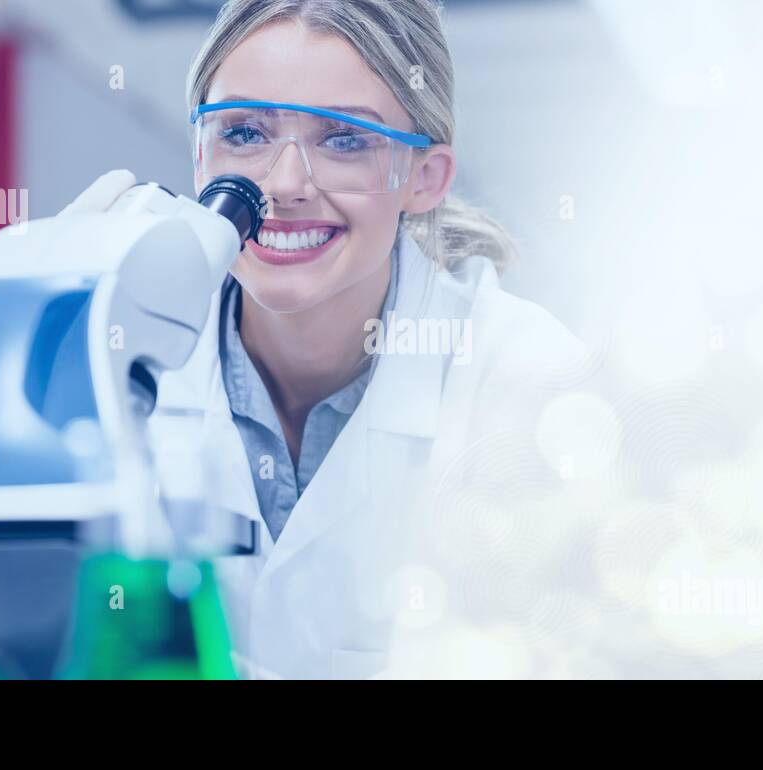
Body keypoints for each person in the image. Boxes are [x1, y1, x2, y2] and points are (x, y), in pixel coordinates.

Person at [65, 0, 592, 679]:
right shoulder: (113, 352)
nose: (283, 186)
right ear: (199, 155)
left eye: (344, 140)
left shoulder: (528, 384)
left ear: (424, 179)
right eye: (246, 133)